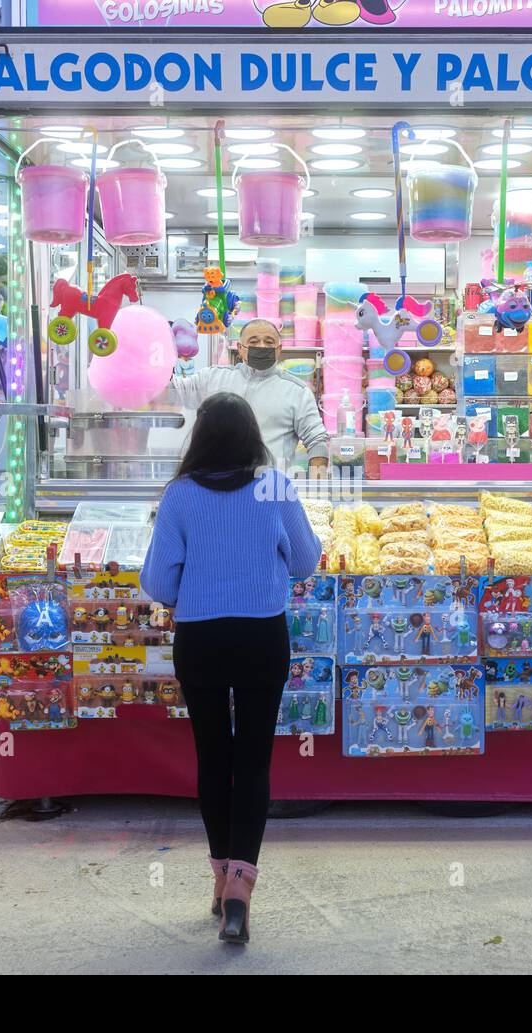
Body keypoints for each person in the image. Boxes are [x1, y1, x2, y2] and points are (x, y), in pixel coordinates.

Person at [140, 393, 320, 946]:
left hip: (202, 639)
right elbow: (308, 559)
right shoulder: (273, 486)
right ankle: (243, 883)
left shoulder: (179, 495)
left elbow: (158, 583)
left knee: (213, 757)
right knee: (255, 758)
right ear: (252, 436)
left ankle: (221, 879)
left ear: (200, 436)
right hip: (262, 635)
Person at [169, 318, 330, 475]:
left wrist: (316, 489)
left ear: (279, 349)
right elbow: (172, 393)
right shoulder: (212, 378)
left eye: (269, 342)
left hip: (268, 492)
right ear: (240, 348)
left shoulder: (297, 391)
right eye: (253, 342)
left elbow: (317, 441)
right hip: (215, 488)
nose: (261, 346)